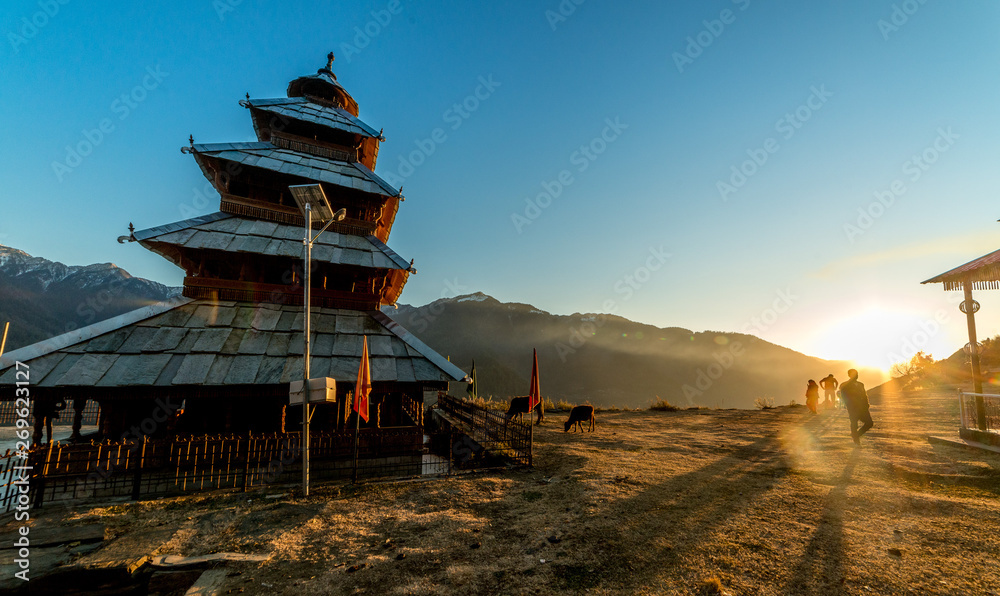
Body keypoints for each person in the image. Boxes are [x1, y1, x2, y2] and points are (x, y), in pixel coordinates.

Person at [840, 369, 874, 445]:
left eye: (857, 374)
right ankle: (856, 441)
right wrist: (848, 405)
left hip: (863, 407)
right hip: (853, 407)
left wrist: (867, 404)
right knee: (854, 424)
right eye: (854, 374)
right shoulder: (844, 385)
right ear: (849, 375)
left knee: (869, 423)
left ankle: (856, 435)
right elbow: (843, 396)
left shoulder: (861, 384)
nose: (856, 375)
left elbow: (864, 395)